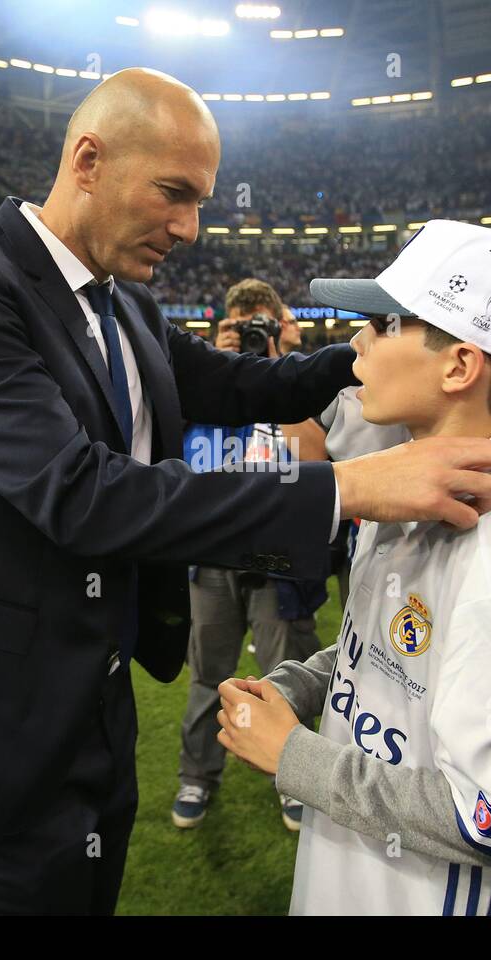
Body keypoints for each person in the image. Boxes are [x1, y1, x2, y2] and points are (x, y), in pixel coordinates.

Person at [0, 67, 491, 916]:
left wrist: (395, 342)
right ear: (89, 159)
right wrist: (349, 487)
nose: (190, 227)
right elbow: (84, 496)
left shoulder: (125, 304)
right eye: (173, 194)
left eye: (200, 201)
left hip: (94, 704)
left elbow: (248, 385)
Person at [216, 220, 491, 915]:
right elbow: (392, 646)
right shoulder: (418, 478)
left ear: (458, 365)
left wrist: (294, 756)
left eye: (382, 324)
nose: (356, 342)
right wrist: (299, 683)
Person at [172, 278, 325, 832]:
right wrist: (218, 364)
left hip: (278, 561)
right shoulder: (206, 379)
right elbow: (181, 450)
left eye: (262, 324)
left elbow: (314, 459)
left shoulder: (304, 384)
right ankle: (197, 774)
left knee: (287, 676)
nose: (254, 336)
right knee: (207, 675)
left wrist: (281, 373)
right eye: (244, 327)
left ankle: (295, 777)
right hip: (212, 557)